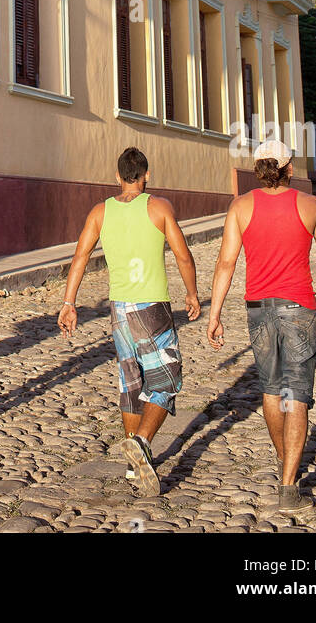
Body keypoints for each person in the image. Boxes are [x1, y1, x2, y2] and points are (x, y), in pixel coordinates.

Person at [206, 138, 316, 512]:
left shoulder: (240, 206)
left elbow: (225, 263)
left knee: (272, 391)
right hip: (299, 308)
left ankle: (288, 464)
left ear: (257, 169)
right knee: (296, 393)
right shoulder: (310, 205)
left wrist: (215, 313)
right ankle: (289, 487)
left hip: (258, 310)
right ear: (289, 168)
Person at [58, 147, 200, 496]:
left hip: (119, 310)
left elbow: (80, 256)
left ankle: (135, 469)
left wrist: (69, 302)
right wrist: (192, 293)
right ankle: (142, 443)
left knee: (131, 385)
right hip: (150, 306)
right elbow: (183, 255)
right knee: (167, 379)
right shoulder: (159, 207)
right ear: (146, 175)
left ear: (117, 177)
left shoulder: (99, 211)